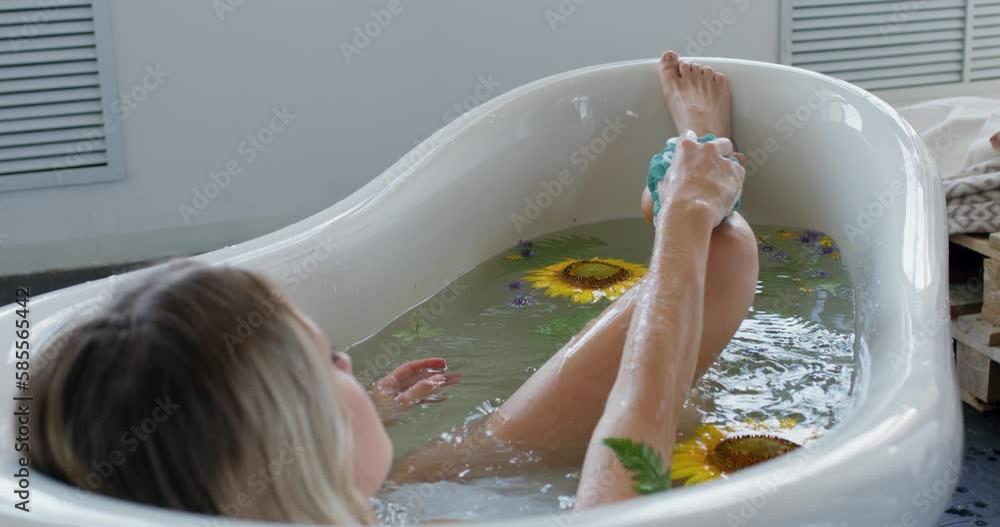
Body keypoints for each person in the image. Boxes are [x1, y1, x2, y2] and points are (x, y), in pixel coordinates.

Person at [26, 51, 756, 524]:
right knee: (710, 258)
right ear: (286, 453)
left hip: (397, 491)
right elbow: (627, 484)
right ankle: (692, 188)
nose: (347, 364)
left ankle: (695, 186)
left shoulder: (271, 495)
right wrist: (682, 223)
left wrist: (347, 425)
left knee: (721, 256)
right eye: (325, 367)